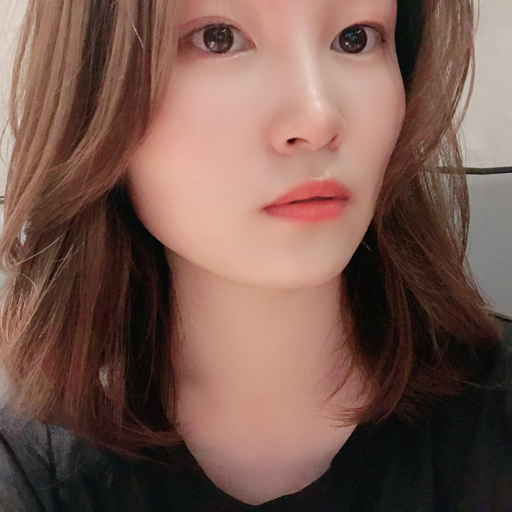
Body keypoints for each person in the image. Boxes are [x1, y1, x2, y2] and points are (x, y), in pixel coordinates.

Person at [0, 0, 510, 509]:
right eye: (218, 39)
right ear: (94, 86)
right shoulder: (31, 472)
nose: (317, 116)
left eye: (356, 38)